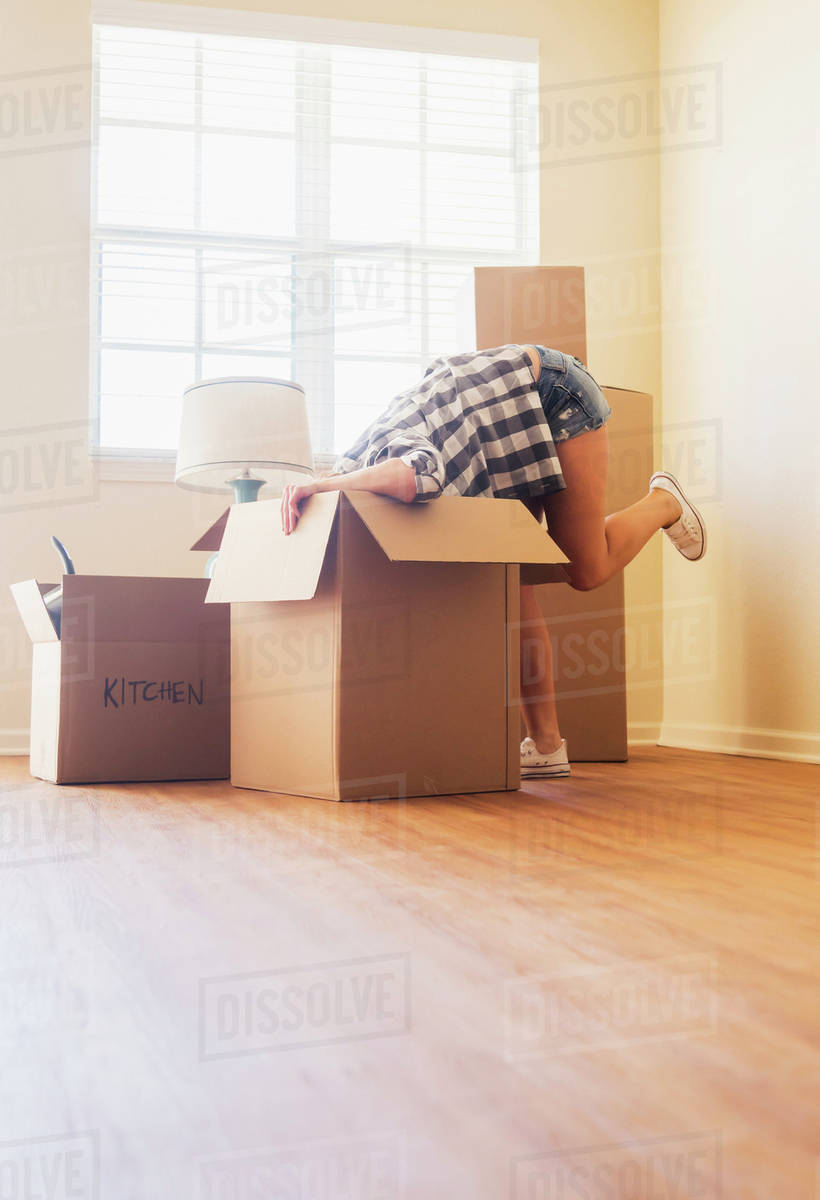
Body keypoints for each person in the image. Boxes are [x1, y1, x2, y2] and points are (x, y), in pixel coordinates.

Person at [280, 344, 706, 779]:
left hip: (552, 393)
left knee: (585, 569)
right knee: (510, 578)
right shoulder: (359, 478)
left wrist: (324, 486)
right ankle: (546, 746)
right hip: (499, 427)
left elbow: (420, 475)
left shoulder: (375, 459)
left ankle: (663, 502)